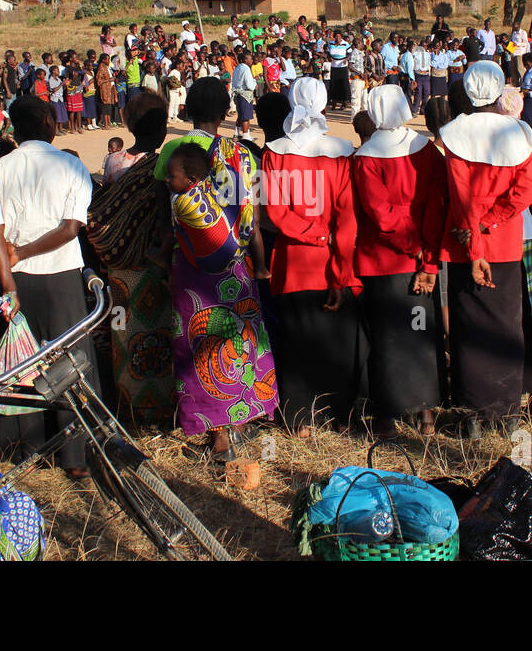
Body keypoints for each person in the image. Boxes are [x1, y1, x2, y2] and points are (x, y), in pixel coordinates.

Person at [0, 97, 98, 478]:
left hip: (17, 283)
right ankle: (75, 457)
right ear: (49, 121)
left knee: (21, 364)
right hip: (62, 277)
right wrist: (27, 252)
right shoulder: (71, 165)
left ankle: (24, 451)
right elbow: (70, 229)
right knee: (71, 362)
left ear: (14, 126)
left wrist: (9, 281)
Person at [163, 77, 276, 461]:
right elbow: (253, 218)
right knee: (239, 342)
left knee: (200, 347)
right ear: (226, 110)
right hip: (236, 264)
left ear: (189, 108)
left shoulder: (174, 151)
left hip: (191, 267)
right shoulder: (243, 155)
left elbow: (167, 214)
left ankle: (216, 434)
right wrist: (259, 265)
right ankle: (240, 421)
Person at [439, 61, 532, 437]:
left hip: (464, 245)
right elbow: (525, 192)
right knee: (506, 324)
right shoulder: (520, 133)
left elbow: (462, 199)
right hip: (506, 243)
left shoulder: (454, 135)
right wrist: (491, 223)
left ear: (466, 90)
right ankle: (507, 410)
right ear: (500, 90)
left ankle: (472, 415)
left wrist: (476, 238)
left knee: (468, 328)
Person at [262, 78, 361, 436]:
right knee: (337, 342)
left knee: (296, 342)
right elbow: (347, 218)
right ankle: (340, 415)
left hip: (293, 264)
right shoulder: (342, 152)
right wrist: (339, 269)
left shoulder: (274, 151)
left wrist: (312, 235)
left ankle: (300, 418)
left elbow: (275, 213)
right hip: (334, 262)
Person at [351, 84, 445, 438]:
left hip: (381, 263)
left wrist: (414, 250)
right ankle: (426, 415)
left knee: (385, 339)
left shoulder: (365, 158)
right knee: (421, 333)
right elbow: (437, 207)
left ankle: (386, 416)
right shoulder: (427, 150)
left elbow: (381, 215)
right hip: (422, 263)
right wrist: (428, 259)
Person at [87, 92, 173, 422]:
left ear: (130, 125)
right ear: (163, 129)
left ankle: (128, 403)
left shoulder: (115, 161)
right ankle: (159, 405)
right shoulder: (163, 165)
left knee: (123, 331)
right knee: (158, 330)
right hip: (153, 264)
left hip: (119, 268)